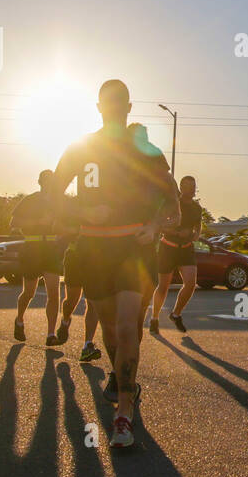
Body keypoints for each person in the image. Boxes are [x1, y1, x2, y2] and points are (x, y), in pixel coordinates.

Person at [49, 81, 177, 449]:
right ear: (99, 107)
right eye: (109, 103)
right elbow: (54, 193)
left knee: (125, 328)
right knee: (109, 328)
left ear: (129, 106)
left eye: (121, 102)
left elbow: (172, 200)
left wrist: (153, 226)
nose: (115, 108)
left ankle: (123, 413)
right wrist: (81, 210)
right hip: (93, 249)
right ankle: (127, 384)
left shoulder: (146, 151)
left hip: (133, 249)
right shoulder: (81, 147)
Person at [10, 170, 63, 346]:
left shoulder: (59, 203)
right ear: (40, 182)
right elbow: (14, 223)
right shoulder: (30, 200)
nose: (49, 183)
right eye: (46, 180)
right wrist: (38, 223)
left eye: (52, 180)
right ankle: (19, 320)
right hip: (32, 249)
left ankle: (50, 334)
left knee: (54, 294)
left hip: (51, 250)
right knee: (29, 292)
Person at [155, 175, 202, 333]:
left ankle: (176, 314)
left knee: (190, 284)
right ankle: (154, 318)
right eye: (188, 186)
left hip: (186, 248)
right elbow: (160, 225)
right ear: (181, 188)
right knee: (163, 287)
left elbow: (198, 227)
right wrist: (176, 231)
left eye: (193, 186)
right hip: (168, 247)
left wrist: (195, 234)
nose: (191, 189)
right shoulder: (173, 203)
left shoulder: (197, 208)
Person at [56, 211, 103, 362]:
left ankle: (87, 345)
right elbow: (57, 226)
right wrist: (77, 230)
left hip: (96, 259)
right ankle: (65, 320)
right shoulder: (74, 206)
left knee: (93, 302)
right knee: (72, 300)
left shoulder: (109, 206)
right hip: (75, 257)